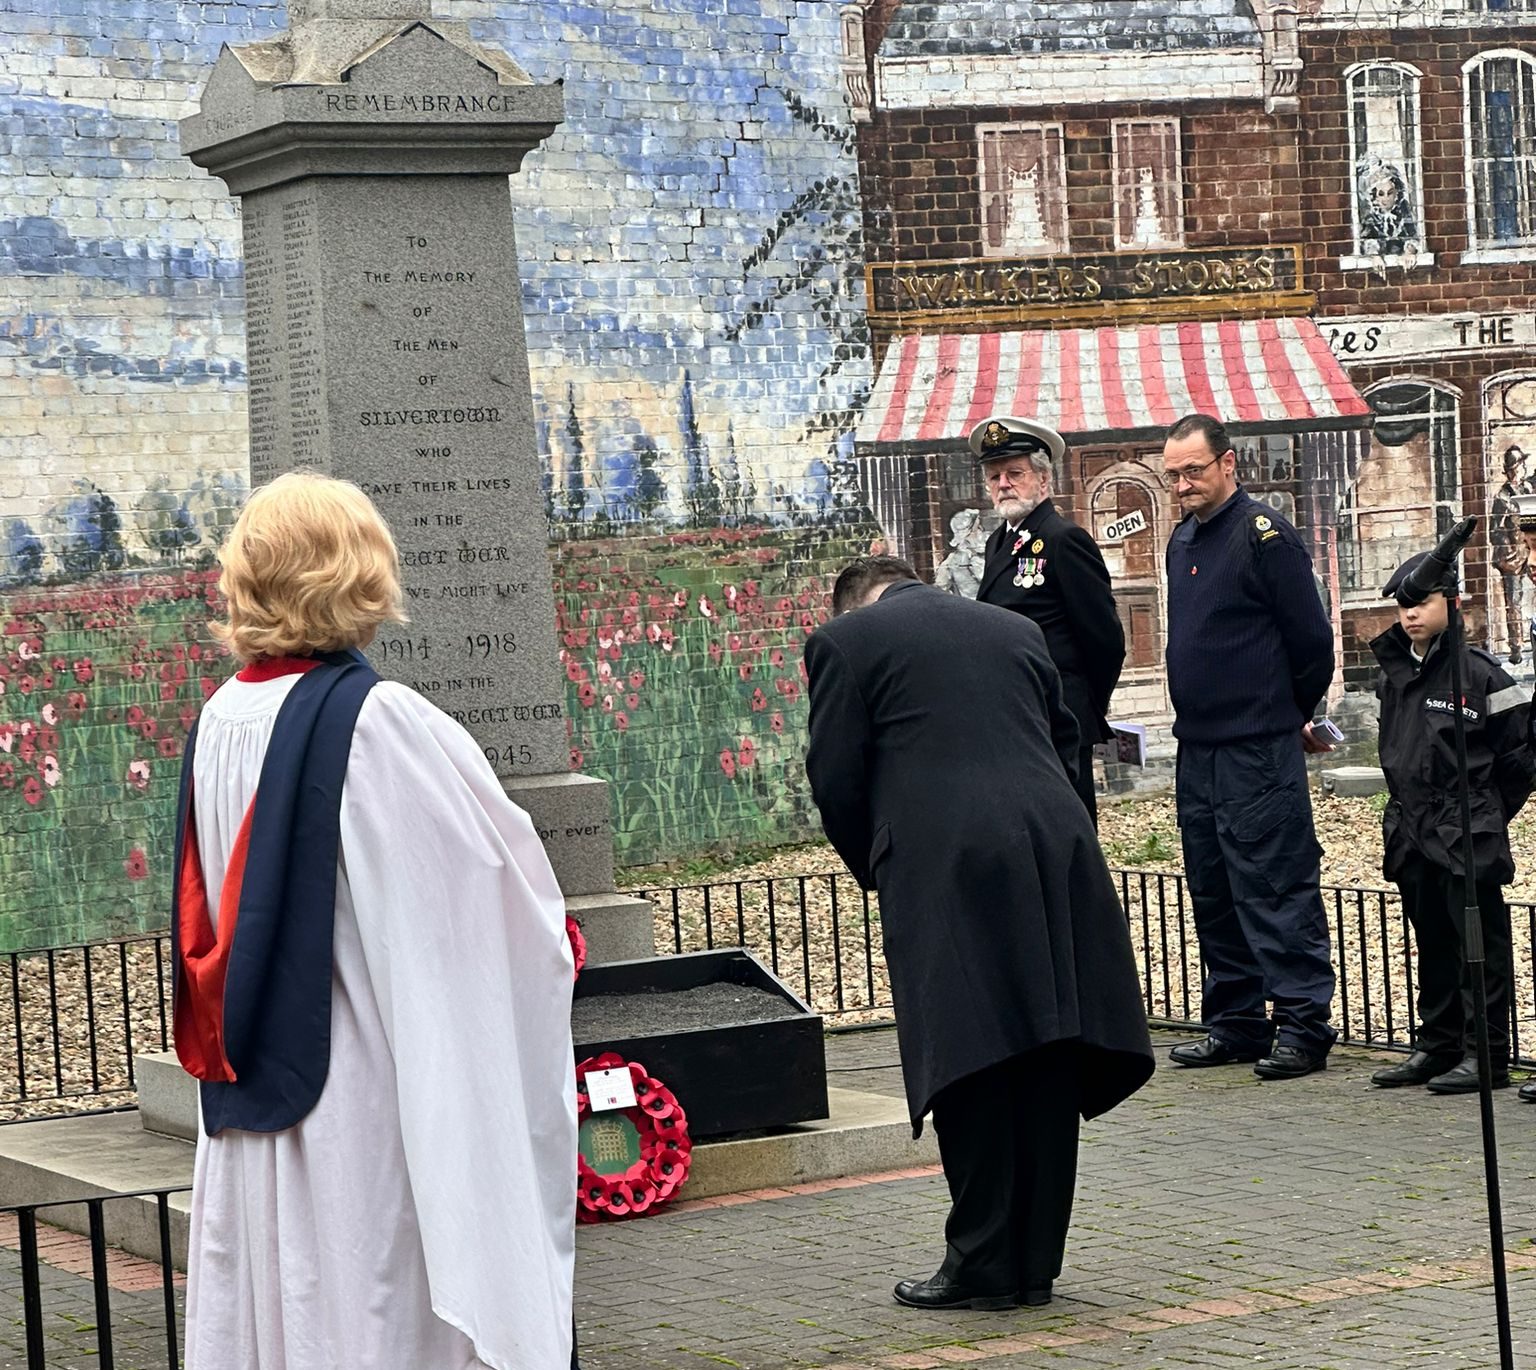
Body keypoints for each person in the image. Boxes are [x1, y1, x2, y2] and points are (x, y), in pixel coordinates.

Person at [174, 472, 577, 1370]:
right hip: (356, 1076)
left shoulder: (220, 714)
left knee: (285, 1291)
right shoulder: (376, 719)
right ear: (359, 574)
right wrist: (550, 936)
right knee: (368, 1290)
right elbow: (468, 888)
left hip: (262, 1072)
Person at [803, 555, 1153, 1312]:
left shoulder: (846, 640)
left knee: (971, 1051)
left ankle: (983, 1261)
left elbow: (835, 778)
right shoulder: (1015, 629)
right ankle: (1034, 1264)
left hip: (946, 862)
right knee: (1048, 1045)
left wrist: (885, 862)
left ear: (854, 600)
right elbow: (1066, 743)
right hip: (1054, 846)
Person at [1161, 413, 1339, 1081]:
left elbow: (1311, 642)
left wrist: (1290, 713)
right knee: (1214, 888)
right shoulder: (1182, 540)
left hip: (1258, 746)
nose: (1183, 485)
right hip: (1198, 749)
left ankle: (1302, 1026)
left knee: (1274, 883)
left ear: (1228, 465)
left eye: (1194, 471)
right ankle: (1235, 1024)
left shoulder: (1266, 535)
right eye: (1173, 474)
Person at [1367, 552, 1533, 1094]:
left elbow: (1520, 759)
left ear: (1451, 603)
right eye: (1403, 606)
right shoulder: (1394, 670)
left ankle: (1487, 1056)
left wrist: (1484, 814)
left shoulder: (1481, 673)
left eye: (1422, 603)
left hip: (1466, 826)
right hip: (1412, 827)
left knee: (1478, 947)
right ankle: (1437, 1046)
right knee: (1432, 943)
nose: (1410, 615)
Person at [970, 415, 1125, 825]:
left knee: (1066, 827)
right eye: (994, 476)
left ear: (1043, 480)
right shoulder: (998, 543)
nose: (1003, 484)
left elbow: (1105, 640)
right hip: (1014, 713)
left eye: (1015, 473)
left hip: (1058, 717)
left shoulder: (1062, 540)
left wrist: (1080, 705)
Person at [1488, 446, 1530, 664]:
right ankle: (1516, 647)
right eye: (1520, 464)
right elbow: (1494, 531)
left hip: (1530, 553)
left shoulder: (1528, 489)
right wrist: (1510, 549)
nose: (1523, 467)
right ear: (1513, 470)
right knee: (1513, 602)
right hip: (1512, 559)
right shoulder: (1502, 497)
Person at [933, 507, 989, 599]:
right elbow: (940, 588)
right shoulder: (952, 561)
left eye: (980, 528)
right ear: (967, 534)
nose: (981, 531)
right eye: (977, 529)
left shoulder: (990, 553)